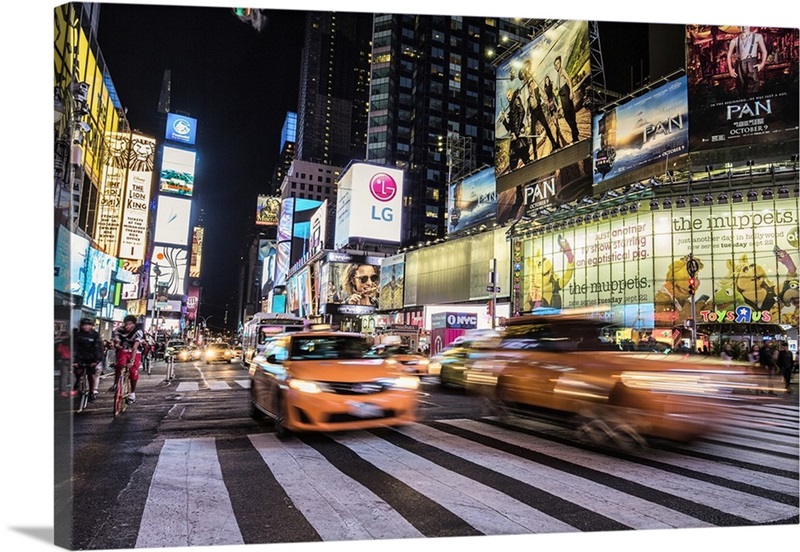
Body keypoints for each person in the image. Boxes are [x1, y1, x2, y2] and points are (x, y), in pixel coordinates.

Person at [727, 26, 768, 98]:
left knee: (753, 88)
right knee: (740, 87)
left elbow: (764, 51)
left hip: (751, 63)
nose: (743, 27)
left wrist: (762, 64)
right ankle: (744, 104)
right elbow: (729, 54)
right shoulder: (735, 40)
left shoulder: (757, 37)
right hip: (739, 64)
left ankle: (753, 104)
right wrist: (730, 69)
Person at [111, 314, 144, 404]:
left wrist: (132, 361)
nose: (127, 326)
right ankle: (116, 383)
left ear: (134, 324)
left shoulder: (138, 332)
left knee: (133, 372)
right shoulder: (118, 330)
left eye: (129, 324)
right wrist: (117, 345)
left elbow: (135, 347)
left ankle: (132, 393)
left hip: (135, 352)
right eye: (126, 324)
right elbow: (116, 343)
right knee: (119, 365)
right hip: (123, 350)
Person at [499, 85, 532, 171]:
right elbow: (510, 128)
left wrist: (516, 132)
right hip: (516, 139)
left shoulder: (516, 100)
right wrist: (504, 121)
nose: (508, 98)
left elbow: (522, 111)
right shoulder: (511, 106)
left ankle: (532, 180)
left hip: (518, 139)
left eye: (508, 96)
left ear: (512, 93)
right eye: (507, 97)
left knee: (521, 160)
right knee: (518, 161)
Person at [526, 78, 560, 157]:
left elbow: (544, 96)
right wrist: (528, 119)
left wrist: (546, 101)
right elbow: (528, 111)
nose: (532, 87)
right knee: (533, 133)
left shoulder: (537, 90)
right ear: (528, 88)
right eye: (530, 86)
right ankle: (535, 154)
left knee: (546, 127)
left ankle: (554, 143)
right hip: (533, 114)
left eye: (532, 85)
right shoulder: (528, 99)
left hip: (539, 110)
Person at [72, 318, 104, 401]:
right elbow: (74, 347)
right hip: (80, 357)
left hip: (92, 358)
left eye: (88, 325)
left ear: (91, 326)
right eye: (84, 325)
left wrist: (96, 360)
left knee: (91, 375)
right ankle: (78, 382)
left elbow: (98, 348)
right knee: (78, 371)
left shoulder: (95, 335)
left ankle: (91, 392)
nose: (86, 327)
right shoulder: (78, 335)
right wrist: (73, 360)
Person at [553, 55, 580, 144]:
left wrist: (571, 92)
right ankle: (575, 133)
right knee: (567, 116)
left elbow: (568, 79)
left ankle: (575, 136)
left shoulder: (562, 70)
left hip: (565, 91)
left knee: (569, 114)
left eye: (558, 63)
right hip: (562, 94)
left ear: (560, 63)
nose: (557, 65)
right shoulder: (558, 74)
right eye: (555, 64)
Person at [55, 330, 72, 397]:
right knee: (72, 375)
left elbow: (58, 351)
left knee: (64, 376)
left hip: (63, 360)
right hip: (71, 360)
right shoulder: (72, 342)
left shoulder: (60, 343)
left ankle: (63, 391)